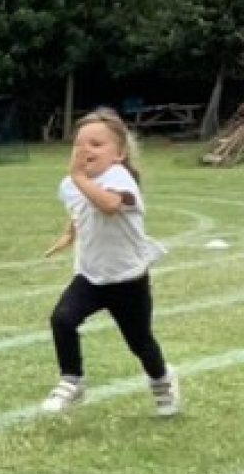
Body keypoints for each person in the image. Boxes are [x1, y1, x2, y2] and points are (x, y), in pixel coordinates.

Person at [41, 108, 178, 417]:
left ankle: (163, 380)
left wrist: (78, 177)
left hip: (128, 278)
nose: (86, 149)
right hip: (91, 274)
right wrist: (69, 233)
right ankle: (72, 379)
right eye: (80, 143)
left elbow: (108, 205)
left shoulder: (121, 178)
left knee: (140, 342)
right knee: (62, 319)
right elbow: (80, 210)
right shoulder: (70, 184)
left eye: (97, 144)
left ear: (119, 154)